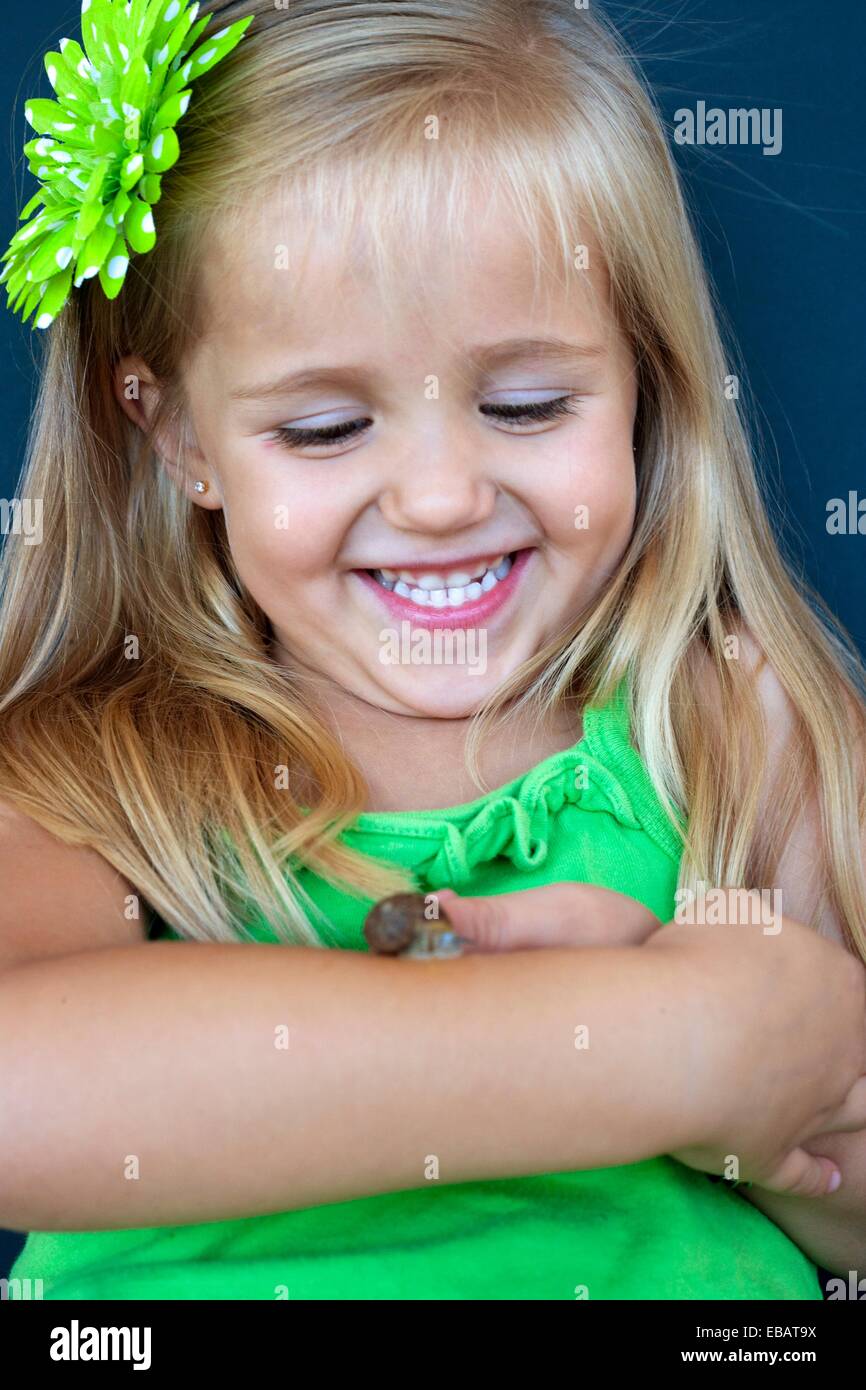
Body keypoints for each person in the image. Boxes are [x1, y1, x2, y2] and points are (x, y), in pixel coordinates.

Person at [1, 0, 865, 1301]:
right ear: (175, 435)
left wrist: (763, 1090)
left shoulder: (728, 727)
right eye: (324, 428)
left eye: (525, 405)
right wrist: (650, 1044)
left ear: (643, 381)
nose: (442, 496)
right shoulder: (97, 774)